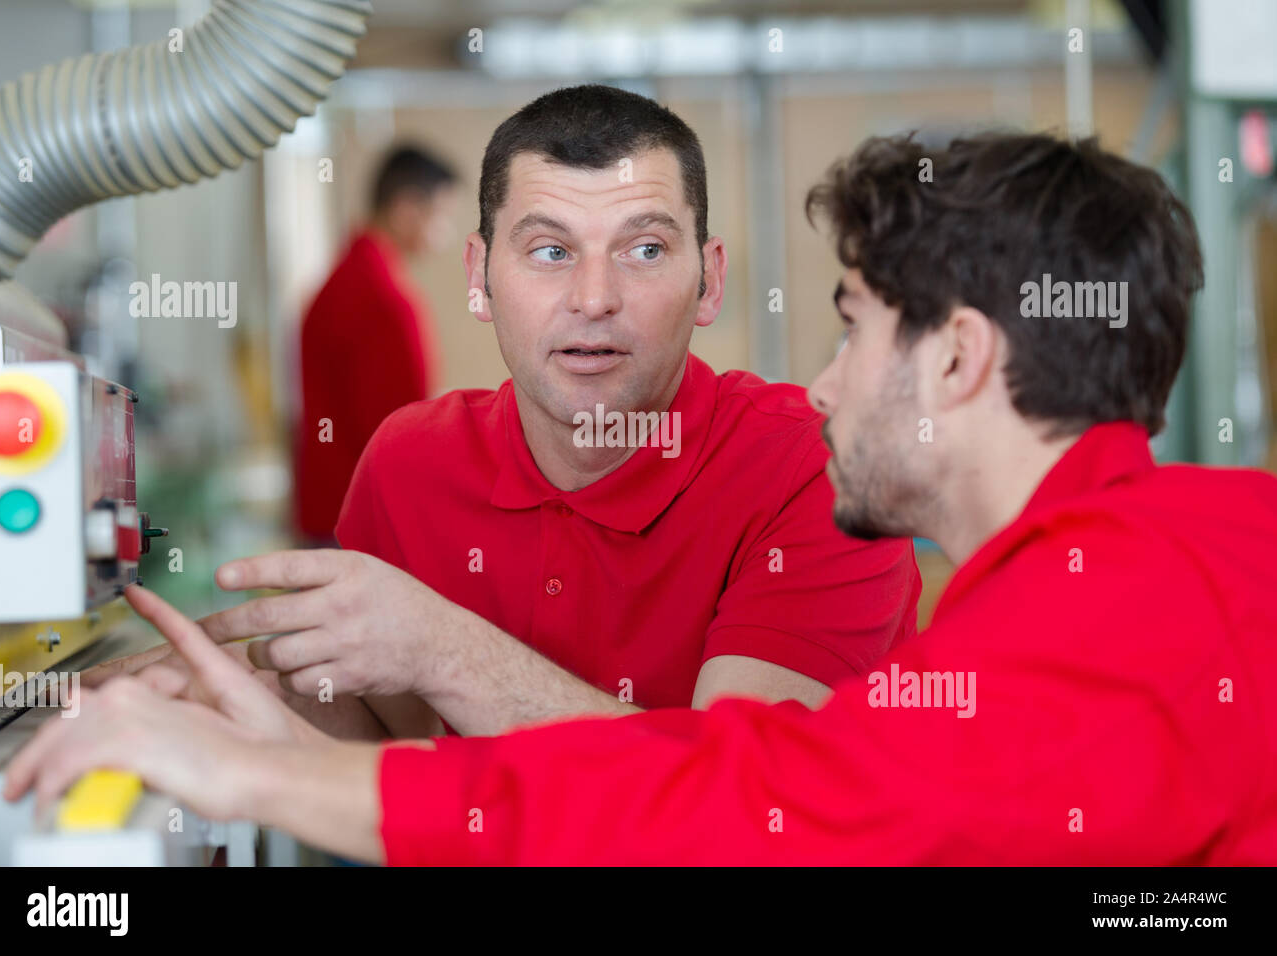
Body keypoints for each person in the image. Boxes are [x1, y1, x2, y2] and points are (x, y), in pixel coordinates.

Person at [86, 85, 920, 741]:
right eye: (550, 251)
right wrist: (194, 690)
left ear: (711, 280)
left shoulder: (817, 468)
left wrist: (443, 647)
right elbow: (390, 738)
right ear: (479, 279)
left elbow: (741, 807)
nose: (595, 298)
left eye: (644, 250)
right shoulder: (409, 463)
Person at [293, 145, 458, 545]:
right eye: (441, 214)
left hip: (332, 509)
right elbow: (399, 427)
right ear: (405, 208)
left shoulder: (348, 279)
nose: (447, 231)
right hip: (359, 521)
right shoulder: (380, 298)